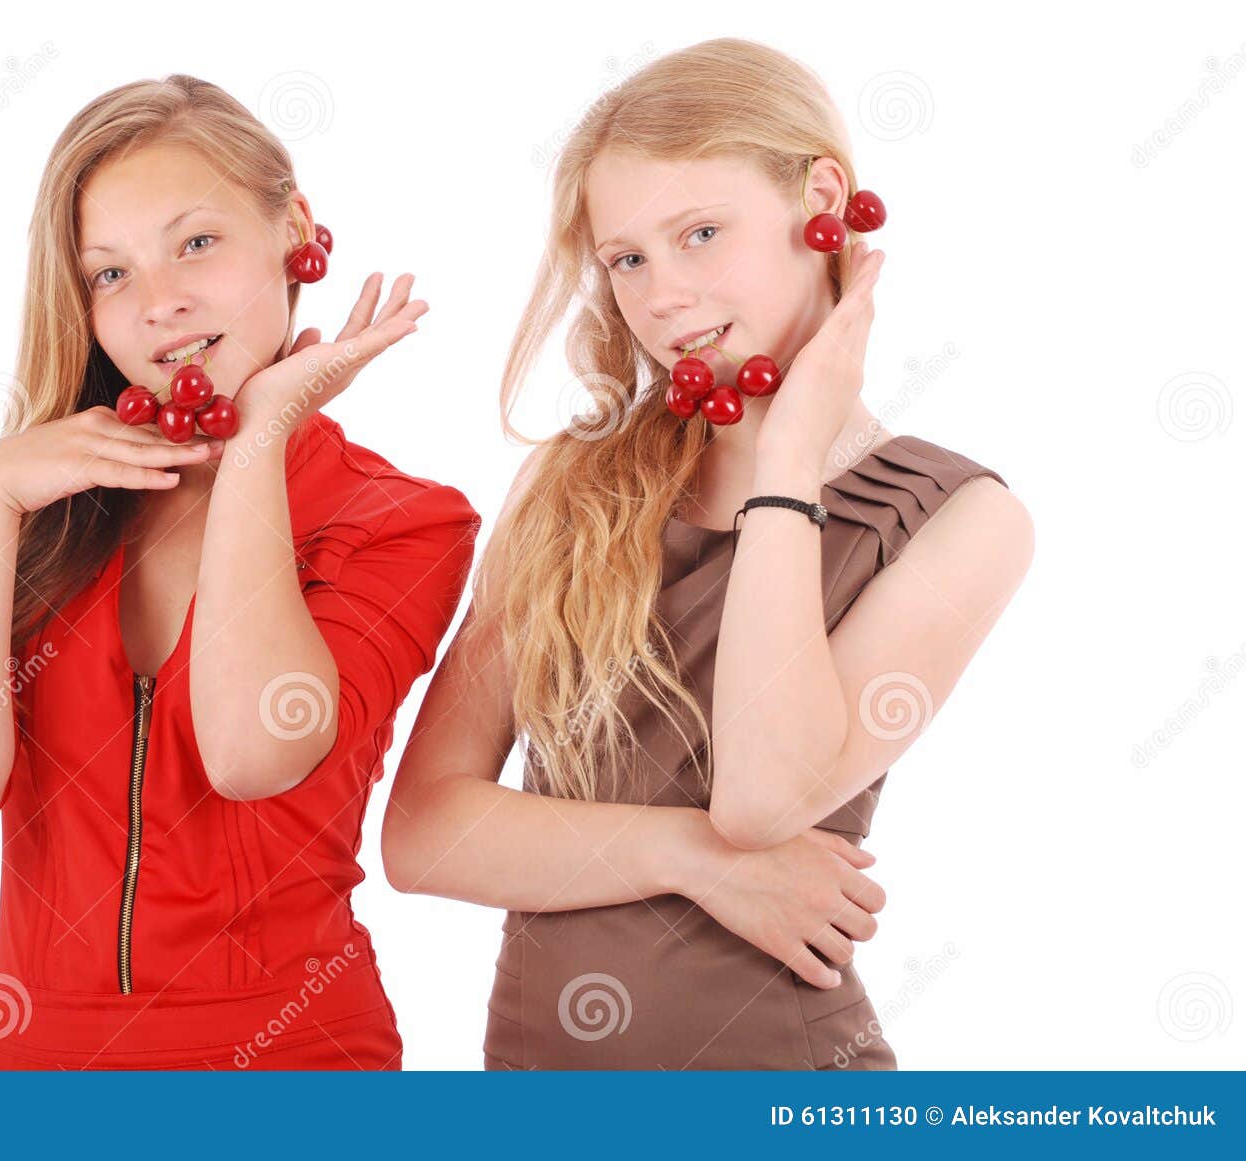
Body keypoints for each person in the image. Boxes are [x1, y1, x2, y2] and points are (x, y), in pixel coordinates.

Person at [381, 37, 1033, 1070]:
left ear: (820, 196)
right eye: (627, 259)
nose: (663, 296)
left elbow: (764, 799)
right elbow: (422, 836)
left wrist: (784, 465)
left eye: (700, 234)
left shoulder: (960, 518)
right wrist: (692, 859)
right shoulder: (571, 487)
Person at [0, 74, 479, 1070]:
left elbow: (251, 751)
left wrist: (260, 440)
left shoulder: (405, 522)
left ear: (295, 228)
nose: (161, 305)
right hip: (35, 1078)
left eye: (195, 243)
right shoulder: (42, 508)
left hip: (295, 1070)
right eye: (109, 275)